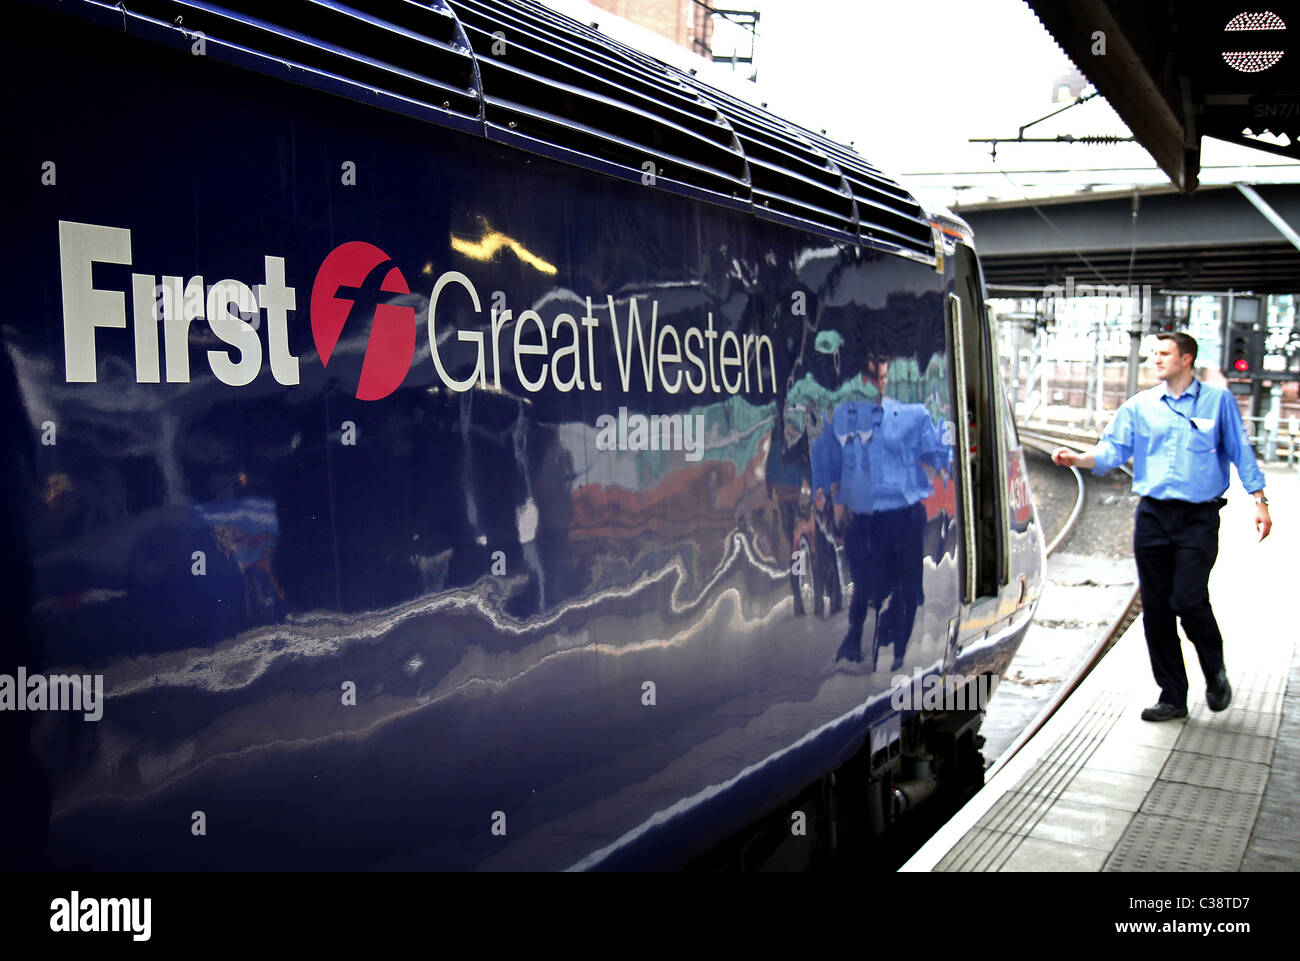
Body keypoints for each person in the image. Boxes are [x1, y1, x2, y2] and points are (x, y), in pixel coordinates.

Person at [1052, 332, 1271, 721]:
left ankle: (1215, 672)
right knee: (1155, 609)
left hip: (1198, 518)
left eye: (1164, 354)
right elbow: (1110, 451)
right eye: (1153, 353)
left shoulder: (1217, 402)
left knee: (1188, 600)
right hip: (1153, 515)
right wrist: (1077, 459)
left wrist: (1260, 501)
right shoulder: (1140, 406)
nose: (1156, 360)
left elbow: (1240, 450)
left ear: (1187, 359)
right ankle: (1172, 696)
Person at [813, 353, 950, 668]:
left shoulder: (912, 416)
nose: (881, 384)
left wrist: (909, 485)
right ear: (861, 381)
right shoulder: (841, 420)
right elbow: (828, 466)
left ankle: (898, 652)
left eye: (885, 378)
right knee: (864, 584)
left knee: (909, 588)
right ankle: (856, 636)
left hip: (904, 518)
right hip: (865, 521)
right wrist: (844, 495)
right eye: (876, 378)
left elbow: (933, 456)